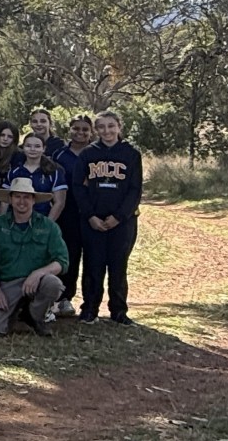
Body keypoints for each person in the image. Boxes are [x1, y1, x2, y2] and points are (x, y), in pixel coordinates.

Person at [76, 109, 142, 326]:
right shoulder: (88, 154)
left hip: (122, 222)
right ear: (96, 130)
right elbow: (78, 187)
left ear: (119, 127)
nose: (107, 131)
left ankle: (119, 311)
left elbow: (135, 190)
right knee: (93, 265)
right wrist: (90, 216)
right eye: (102, 127)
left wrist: (119, 217)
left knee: (118, 266)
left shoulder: (131, 154)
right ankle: (89, 309)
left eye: (111, 126)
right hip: (93, 220)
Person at [0, 176, 68, 337]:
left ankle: (36, 316)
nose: (22, 201)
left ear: (34, 200)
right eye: (17, 196)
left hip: (37, 282)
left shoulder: (49, 226)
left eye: (26, 197)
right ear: (10, 199)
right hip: (7, 283)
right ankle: (15, 314)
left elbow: (62, 261)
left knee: (53, 284)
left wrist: (38, 273)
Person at [52, 114, 95, 318]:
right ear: (69, 130)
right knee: (70, 254)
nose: (80, 133)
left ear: (91, 132)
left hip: (92, 212)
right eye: (76, 128)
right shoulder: (59, 155)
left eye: (85, 129)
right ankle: (64, 298)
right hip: (67, 212)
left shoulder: (97, 154)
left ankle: (91, 302)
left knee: (92, 258)